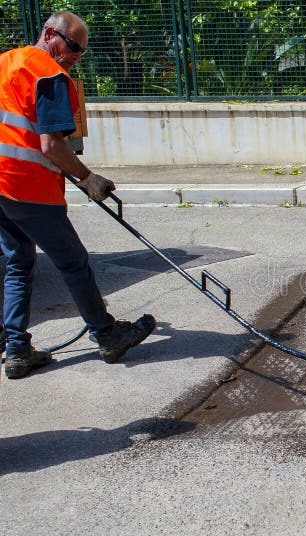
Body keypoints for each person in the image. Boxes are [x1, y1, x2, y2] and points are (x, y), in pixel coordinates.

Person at [0, 11, 156, 379]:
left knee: (19, 262)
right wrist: (88, 179)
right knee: (72, 261)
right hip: (27, 187)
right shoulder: (50, 76)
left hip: (1, 186)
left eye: (81, 52)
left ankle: (17, 350)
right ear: (50, 33)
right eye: (72, 47)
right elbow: (52, 144)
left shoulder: (7, 61)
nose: (75, 57)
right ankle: (107, 334)